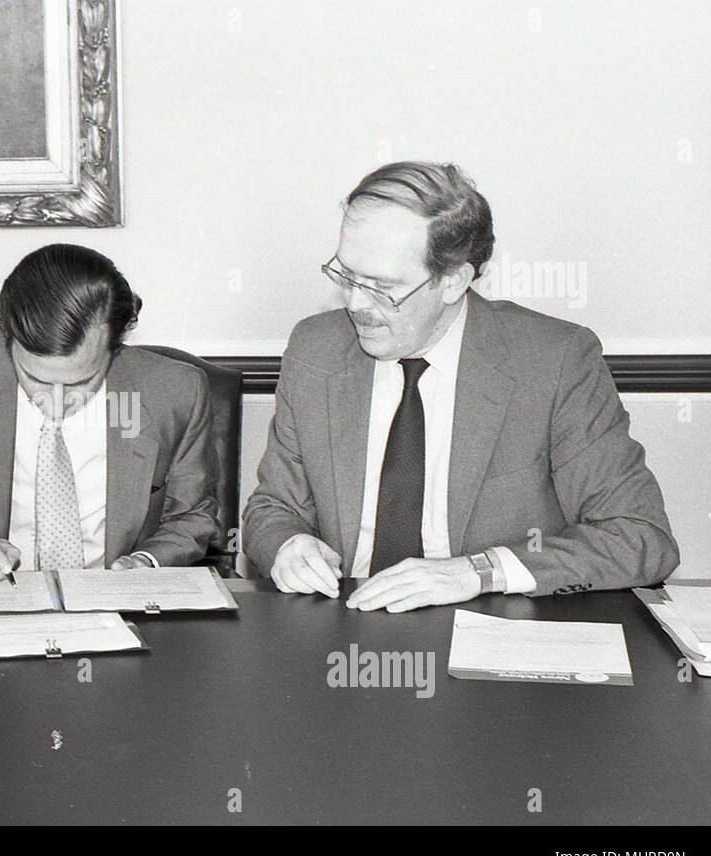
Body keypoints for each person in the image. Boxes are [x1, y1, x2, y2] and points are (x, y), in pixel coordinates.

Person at [243, 161, 679, 612]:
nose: (355, 303)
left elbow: (638, 536)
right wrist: (287, 544)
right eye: (346, 274)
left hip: (493, 625)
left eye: (383, 287)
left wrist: (481, 570)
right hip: (343, 627)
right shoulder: (316, 348)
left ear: (453, 280)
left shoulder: (553, 360)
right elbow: (273, 506)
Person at [0, 243, 219, 582]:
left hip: (116, 605)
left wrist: (146, 563)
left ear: (116, 346)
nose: (56, 401)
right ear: (8, 337)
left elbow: (192, 517)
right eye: (35, 379)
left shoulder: (175, 390)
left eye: (81, 382)